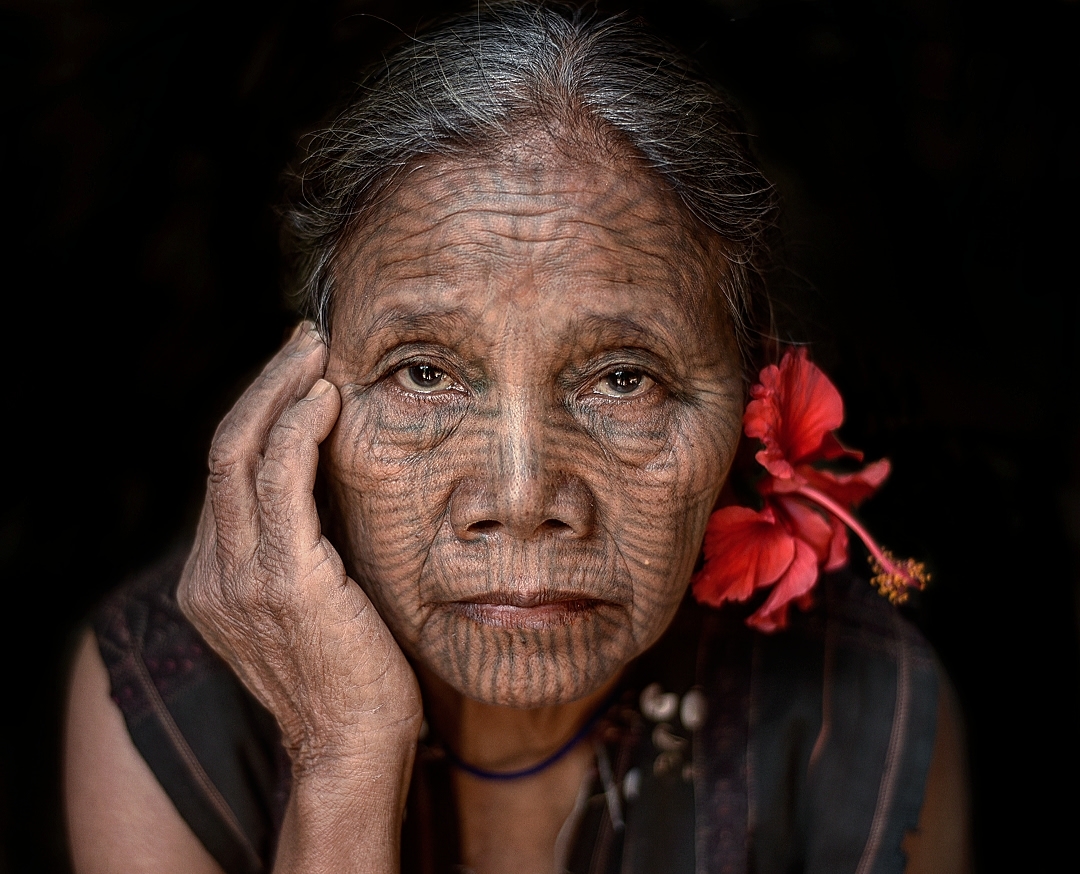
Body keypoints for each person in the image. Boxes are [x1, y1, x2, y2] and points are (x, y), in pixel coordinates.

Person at [63, 3, 970, 872]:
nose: (523, 497)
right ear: (296, 402)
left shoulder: (857, 706)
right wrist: (338, 756)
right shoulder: (170, 690)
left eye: (625, 379)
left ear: (749, 411)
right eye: (424, 374)